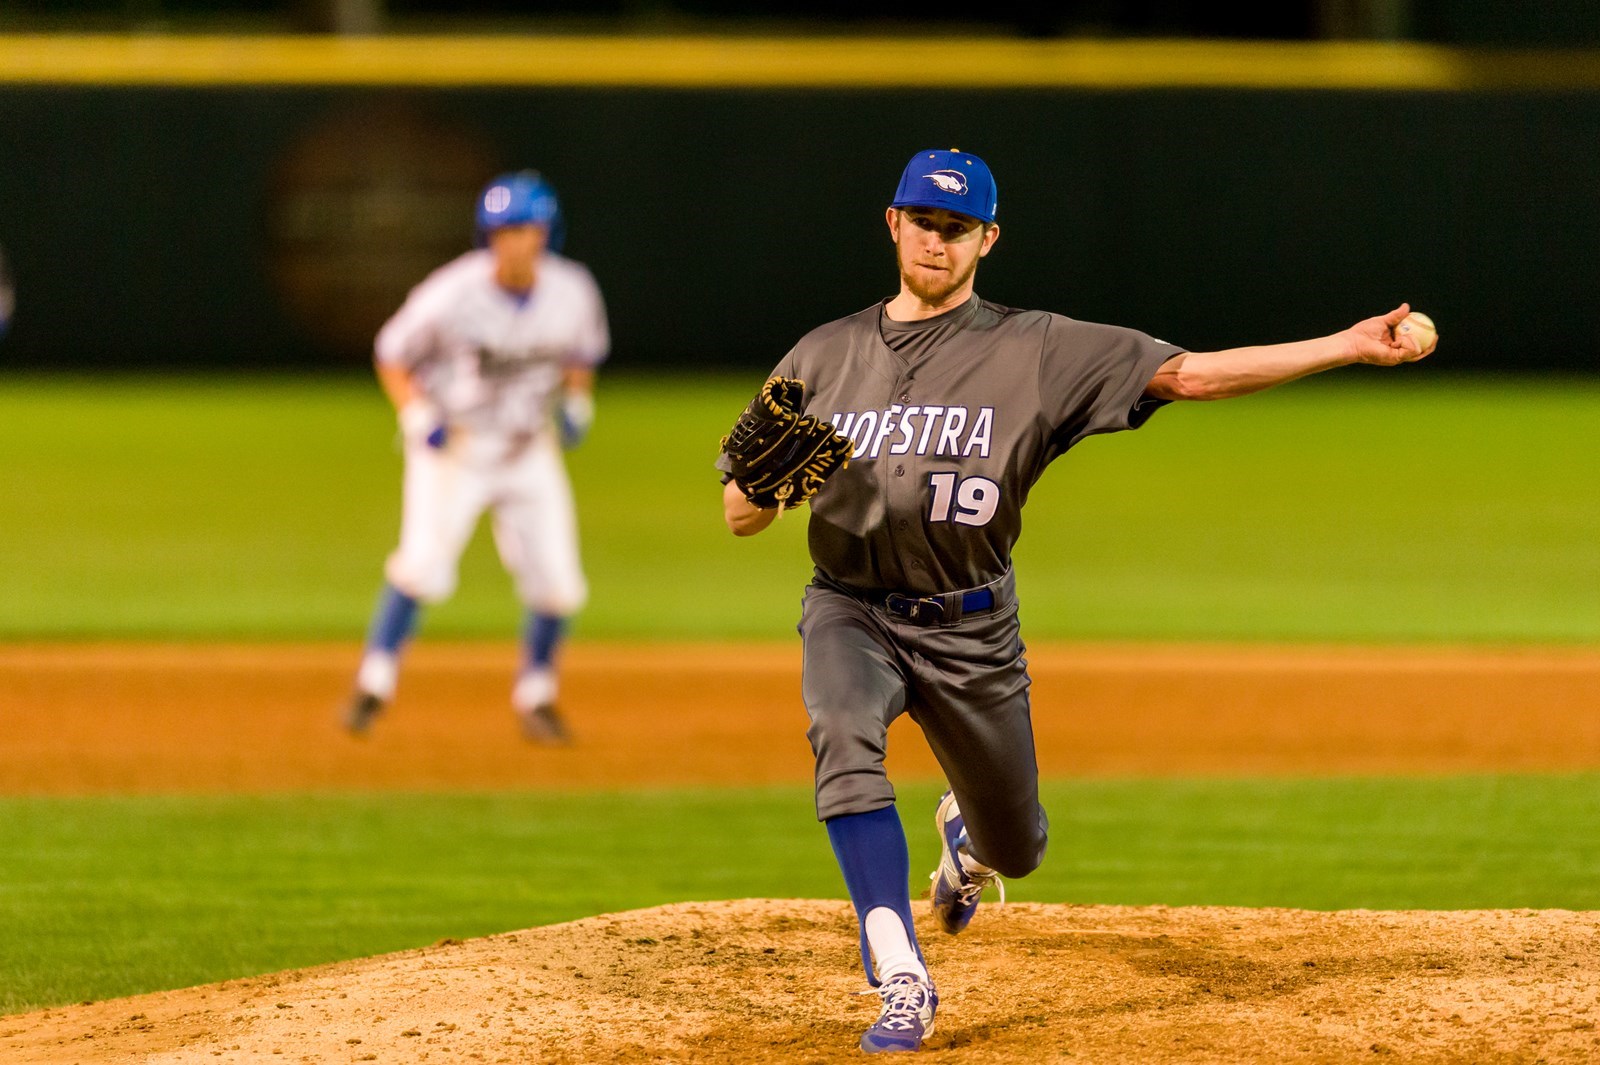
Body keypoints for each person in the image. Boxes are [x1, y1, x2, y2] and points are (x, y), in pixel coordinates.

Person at [718, 148, 1436, 1053]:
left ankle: (967, 836)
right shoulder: (823, 353)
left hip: (972, 626)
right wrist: (763, 486)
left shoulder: (1039, 348)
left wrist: (1347, 343)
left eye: (957, 228)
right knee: (842, 735)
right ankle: (900, 972)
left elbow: (1194, 374)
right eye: (922, 222)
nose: (936, 241)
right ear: (892, 223)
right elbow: (740, 513)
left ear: (988, 240)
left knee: (1018, 845)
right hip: (850, 608)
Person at [343, 170, 609, 745]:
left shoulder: (573, 290)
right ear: (488, 235)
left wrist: (578, 400)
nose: (518, 240)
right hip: (456, 446)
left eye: (528, 228)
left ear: (547, 233)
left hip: (527, 447)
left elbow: (581, 352)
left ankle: (536, 695)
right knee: (421, 566)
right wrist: (414, 415)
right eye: (507, 229)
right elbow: (391, 354)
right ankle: (374, 682)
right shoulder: (451, 293)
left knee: (559, 584)